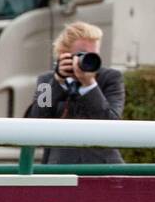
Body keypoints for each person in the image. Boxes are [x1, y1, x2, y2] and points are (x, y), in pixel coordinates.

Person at [24, 21, 125, 164]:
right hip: (59, 168)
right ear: (63, 54)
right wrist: (58, 83)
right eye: (81, 54)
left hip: (103, 168)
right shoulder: (47, 81)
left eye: (93, 55)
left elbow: (111, 124)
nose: (86, 60)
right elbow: (34, 122)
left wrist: (90, 86)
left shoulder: (110, 78)